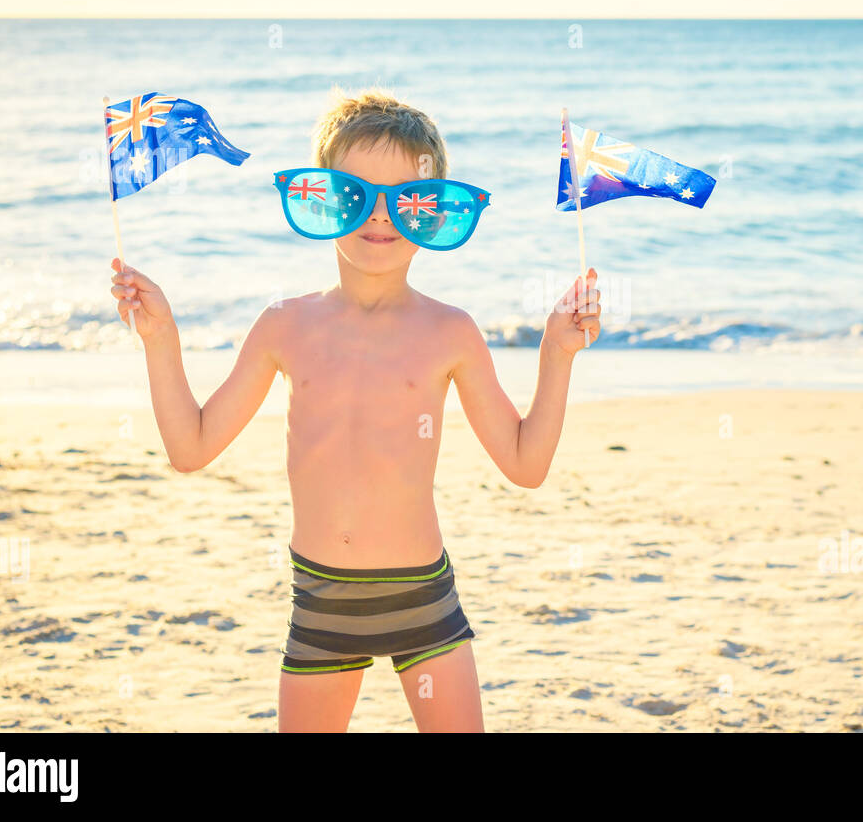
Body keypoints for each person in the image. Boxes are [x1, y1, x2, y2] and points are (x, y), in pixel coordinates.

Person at [109, 89, 600, 732]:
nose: (380, 215)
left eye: (410, 199)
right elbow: (190, 447)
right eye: (355, 192)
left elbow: (525, 463)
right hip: (321, 602)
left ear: (435, 214)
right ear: (320, 197)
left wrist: (556, 353)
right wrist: (161, 339)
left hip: (422, 599)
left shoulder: (451, 332)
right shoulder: (284, 326)